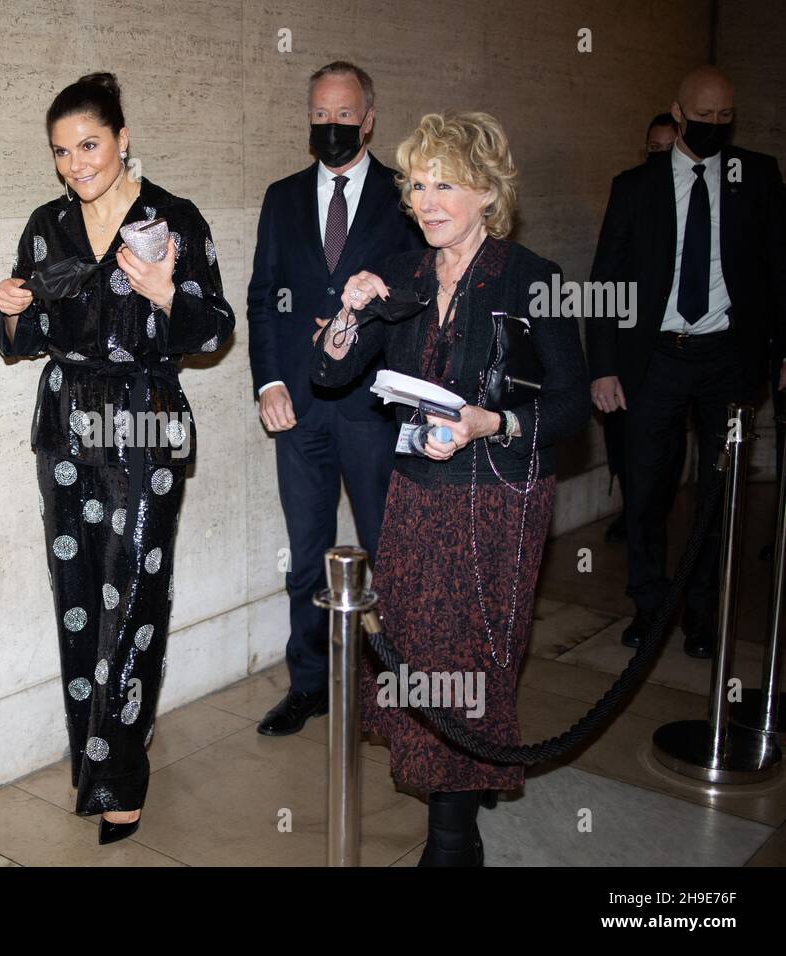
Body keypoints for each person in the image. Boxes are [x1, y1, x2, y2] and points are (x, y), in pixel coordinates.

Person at [311, 111, 591, 865]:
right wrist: (350, 310)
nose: (426, 200)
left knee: (468, 659)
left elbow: (570, 403)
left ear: (488, 193)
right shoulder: (401, 271)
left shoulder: (533, 278)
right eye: (417, 183)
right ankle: (456, 797)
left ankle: (452, 834)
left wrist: (488, 422)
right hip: (414, 497)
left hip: (496, 500)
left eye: (447, 184)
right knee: (415, 651)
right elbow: (331, 371)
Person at [0, 72, 234, 845]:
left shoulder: (176, 220)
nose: (75, 162)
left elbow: (215, 329)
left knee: (132, 605)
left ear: (123, 139)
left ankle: (120, 774)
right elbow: (18, 343)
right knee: (76, 601)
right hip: (65, 428)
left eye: (89, 144)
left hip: (144, 428)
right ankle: (94, 757)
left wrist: (166, 293)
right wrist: (8, 311)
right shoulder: (46, 225)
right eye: (62, 151)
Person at [587, 65, 786, 658]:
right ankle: (650, 605)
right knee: (647, 488)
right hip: (656, 360)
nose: (714, 127)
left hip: (728, 358)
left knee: (718, 493)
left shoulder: (758, 176)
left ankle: (705, 612)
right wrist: (603, 366)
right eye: (703, 118)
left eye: (725, 118)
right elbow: (605, 281)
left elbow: (779, 271)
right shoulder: (636, 187)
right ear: (678, 112)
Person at [247, 61, 422, 737]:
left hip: (371, 407)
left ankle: (399, 688)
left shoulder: (404, 197)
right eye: (319, 115)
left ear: (369, 119)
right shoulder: (282, 197)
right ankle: (310, 684)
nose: (331, 127)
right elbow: (264, 298)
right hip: (298, 408)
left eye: (344, 116)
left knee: (388, 549)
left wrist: (361, 336)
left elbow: (416, 301)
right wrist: (268, 383)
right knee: (306, 553)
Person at [603, 112, 686, 545]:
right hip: (630, 340)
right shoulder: (631, 189)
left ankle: (652, 511)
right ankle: (634, 512)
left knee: (665, 445)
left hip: (675, 350)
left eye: (666, 150)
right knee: (623, 435)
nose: (658, 158)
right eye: (651, 149)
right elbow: (606, 275)